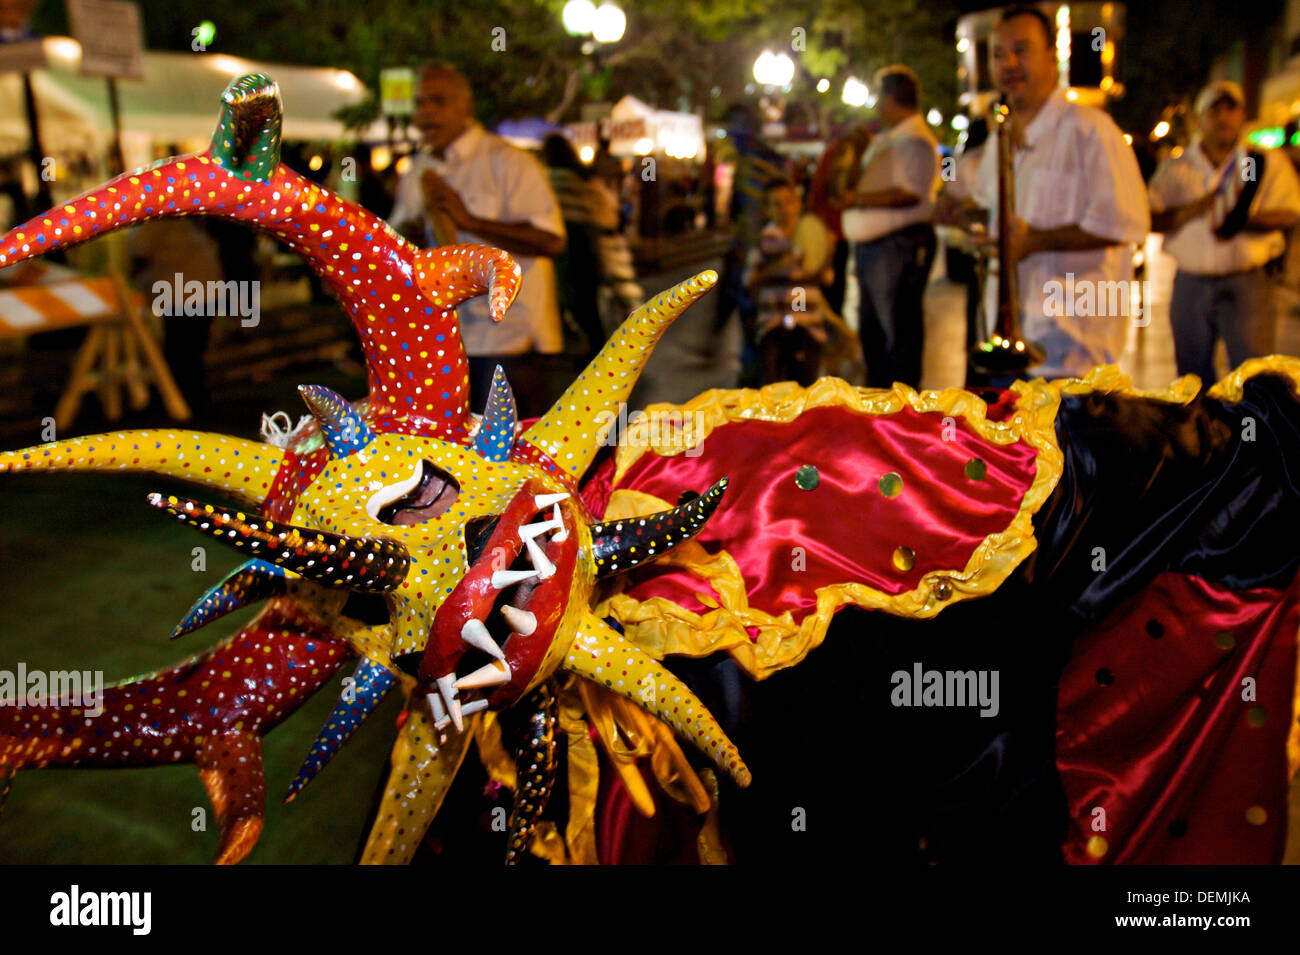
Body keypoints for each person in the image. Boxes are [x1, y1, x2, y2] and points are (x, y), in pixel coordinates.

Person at [971, 5, 1149, 379]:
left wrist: (1034, 241)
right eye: (999, 54)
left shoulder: (1091, 131)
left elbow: (1123, 224)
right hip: (1009, 347)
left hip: (1072, 353)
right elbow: (994, 213)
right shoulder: (998, 137)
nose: (1009, 64)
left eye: (1022, 50)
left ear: (1053, 55)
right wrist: (966, 219)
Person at [389, 61, 565, 416]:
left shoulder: (507, 162)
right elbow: (398, 243)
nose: (426, 114)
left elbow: (551, 242)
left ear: (465, 108)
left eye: (437, 101)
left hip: (510, 340)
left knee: (510, 460)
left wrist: (469, 220)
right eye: (420, 103)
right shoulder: (418, 171)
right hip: (444, 341)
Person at [1148, 81, 1300, 383]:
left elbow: (1289, 211)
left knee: (1253, 374)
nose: (1223, 118)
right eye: (1215, 111)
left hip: (1247, 281)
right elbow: (1151, 217)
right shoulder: (1178, 167)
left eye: (1232, 109)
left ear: (1242, 115)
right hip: (1191, 281)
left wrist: (1237, 217)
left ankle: (1248, 430)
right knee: (1191, 374)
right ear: (1200, 118)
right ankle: (1202, 429)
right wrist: (1197, 208)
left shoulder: (1262, 162)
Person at [841, 65, 940, 389]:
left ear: (891, 97)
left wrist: (859, 199)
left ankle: (899, 410)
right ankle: (881, 402)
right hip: (881, 249)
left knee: (897, 333)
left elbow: (911, 192)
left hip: (897, 247)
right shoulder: (893, 137)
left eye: (878, 96)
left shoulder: (915, 140)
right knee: (875, 332)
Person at [748, 179, 835, 386]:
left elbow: (827, 279)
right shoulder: (763, 240)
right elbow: (751, 282)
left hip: (808, 326)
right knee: (773, 391)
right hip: (773, 325)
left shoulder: (812, 236)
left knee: (806, 393)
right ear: (768, 209)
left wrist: (825, 254)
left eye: (788, 202)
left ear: (797, 204)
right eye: (777, 204)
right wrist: (779, 264)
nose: (784, 209)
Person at [541, 133, 618, 360]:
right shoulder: (582, 176)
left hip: (569, 247)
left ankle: (590, 349)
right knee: (587, 302)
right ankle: (597, 349)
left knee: (574, 300)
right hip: (589, 245)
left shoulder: (554, 179)